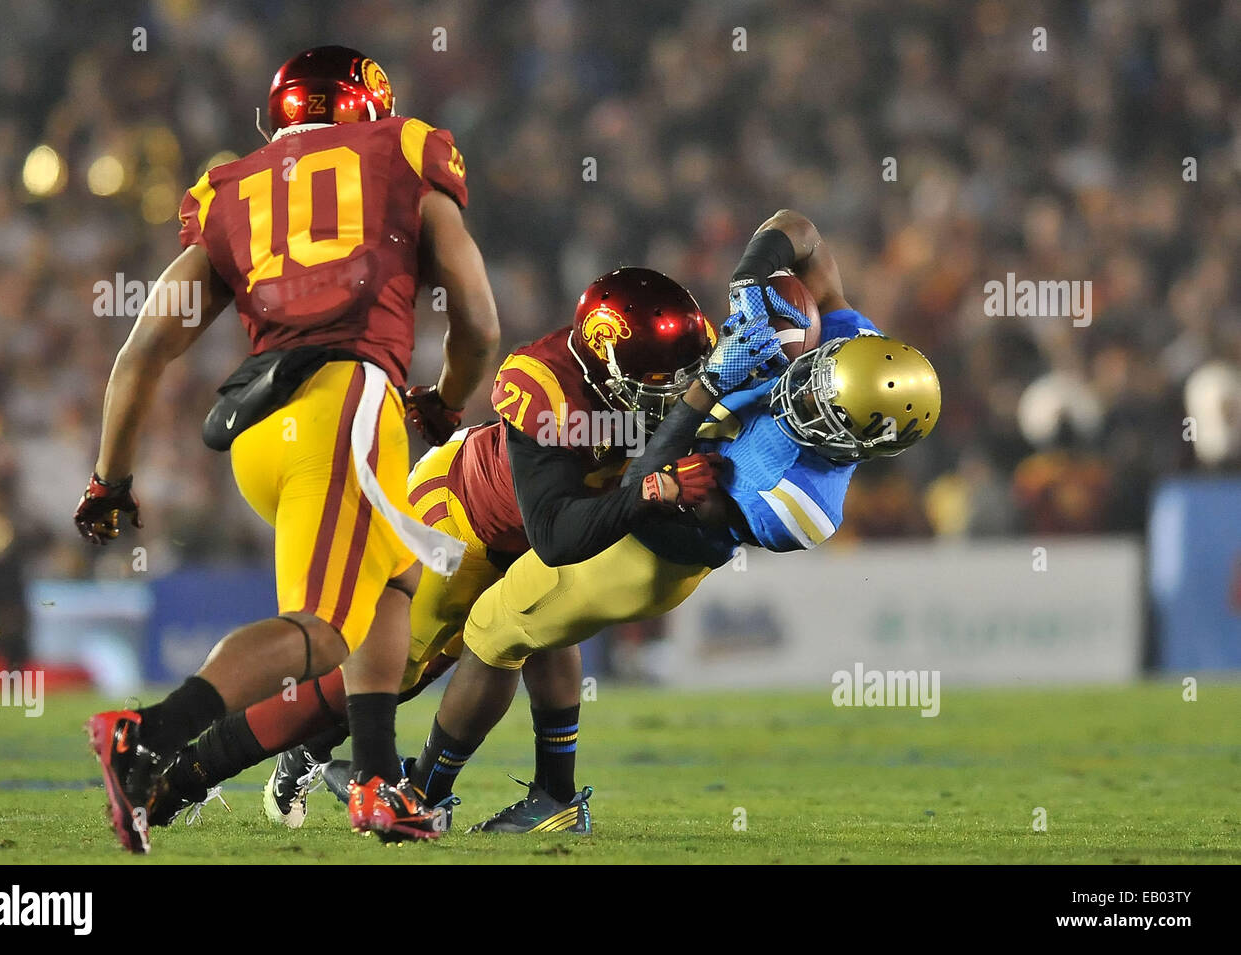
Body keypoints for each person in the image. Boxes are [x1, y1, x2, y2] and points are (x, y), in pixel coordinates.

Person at [75, 46, 499, 851]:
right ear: (368, 109)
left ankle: (374, 780)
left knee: (395, 575)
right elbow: (479, 321)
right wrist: (444, 400)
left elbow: (141, 353)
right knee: (323, 631)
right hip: (346, 400)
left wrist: (110, 481)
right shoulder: (406, 148)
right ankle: (149, 732)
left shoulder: (231, 187)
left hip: (259, 426)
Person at [139, 267, 734, 835]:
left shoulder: (673, 364)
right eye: (662, 383)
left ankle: (521, 795)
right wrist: (656, 489)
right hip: (455, 524)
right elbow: (557, 535)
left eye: (688, 376)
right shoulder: (548, 385)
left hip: (522, 534)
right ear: (607, 365)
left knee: (539, 632)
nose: (680, 396)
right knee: (375, 681)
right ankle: (197, 771)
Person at [398, 209, 942, 820]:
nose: (804, 392)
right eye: (817, 378)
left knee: (492, 633)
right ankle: (551, 796)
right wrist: (751, 278)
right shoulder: (851, 348)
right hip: (645, 503)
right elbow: (804, 234)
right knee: (540, 638)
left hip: (651, 553)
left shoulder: (802, 502)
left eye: (825, 408)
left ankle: (423, 793)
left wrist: (705, 390)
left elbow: (648, 489)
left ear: (851, 444)